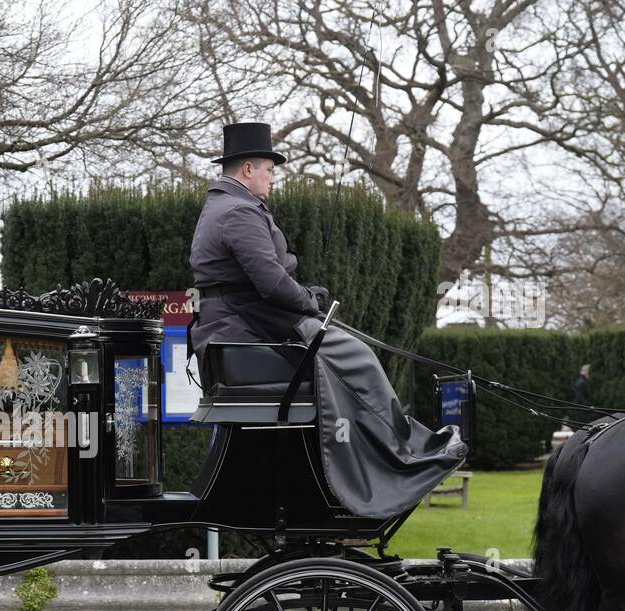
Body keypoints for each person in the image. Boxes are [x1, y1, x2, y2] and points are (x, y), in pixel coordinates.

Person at [189, 121, 468, 519]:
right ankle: (400, 454)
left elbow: (261, 279)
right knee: (358, 356)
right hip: (248, 328)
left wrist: (305, 299)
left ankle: (393, 449)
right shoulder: (237, 211)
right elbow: (269, 282)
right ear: (247, 169)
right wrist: (308, 300)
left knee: (352, 351)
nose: (272, 177)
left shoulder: (225, 206)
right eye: (269, 169)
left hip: (245, 325)